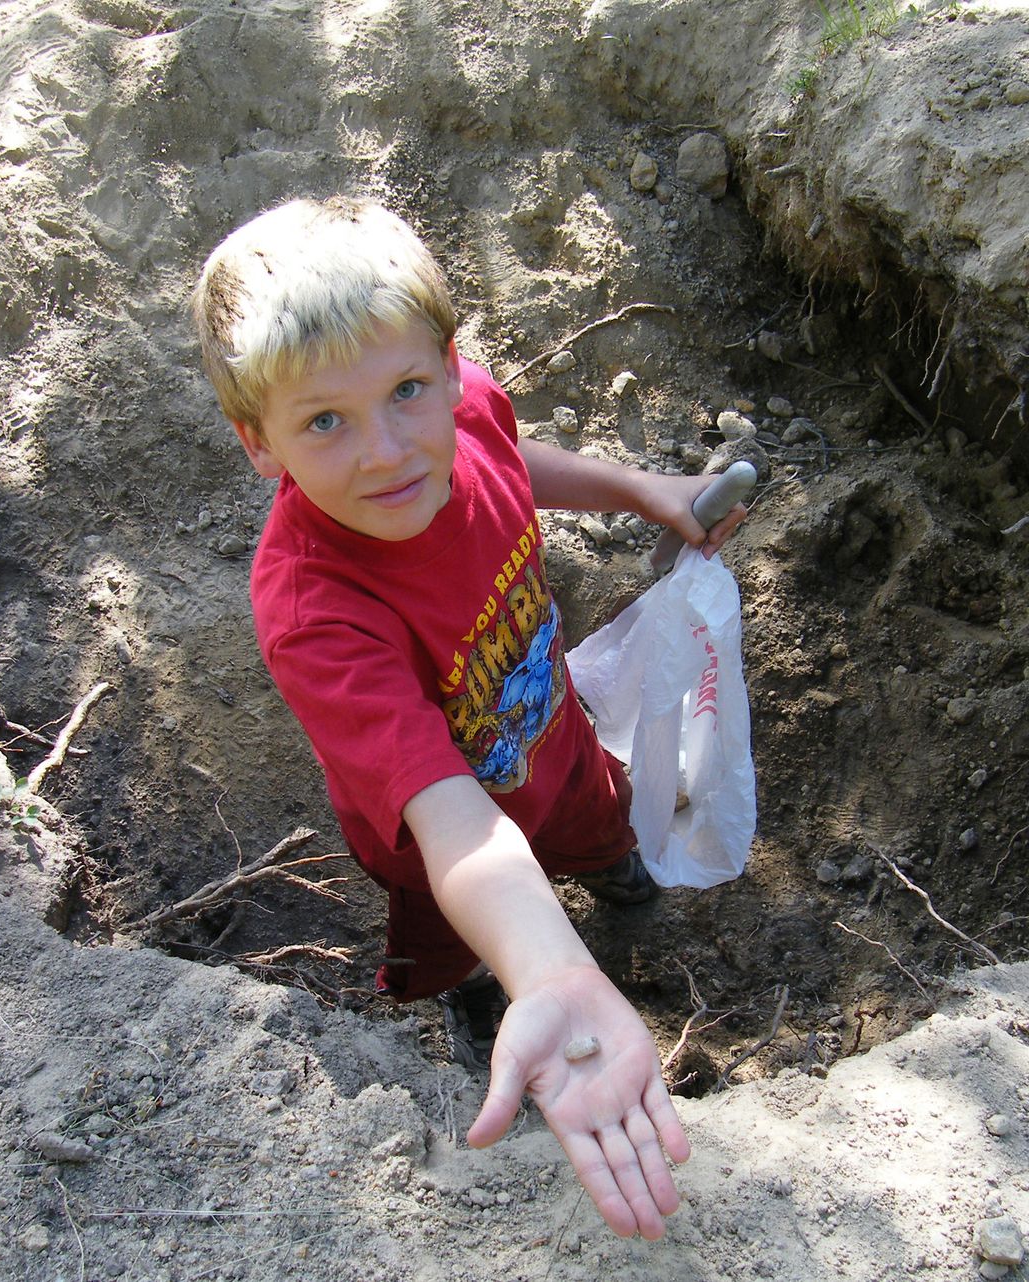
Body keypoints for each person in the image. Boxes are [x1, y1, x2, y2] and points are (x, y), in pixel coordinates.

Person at [192, 196, 746, 1240]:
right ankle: (485, 997)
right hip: (448, 853)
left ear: (449, 368)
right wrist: (547, 966)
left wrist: (640, 490)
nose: (388, 451)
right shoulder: (317, 611)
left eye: (407, 391)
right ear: (256, 443)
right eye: (324, 421)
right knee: (466, 939)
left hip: (553, 741)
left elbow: (504, 460)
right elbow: (454, 820)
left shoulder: (462, 413)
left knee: (597, 822)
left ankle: (611, 873)